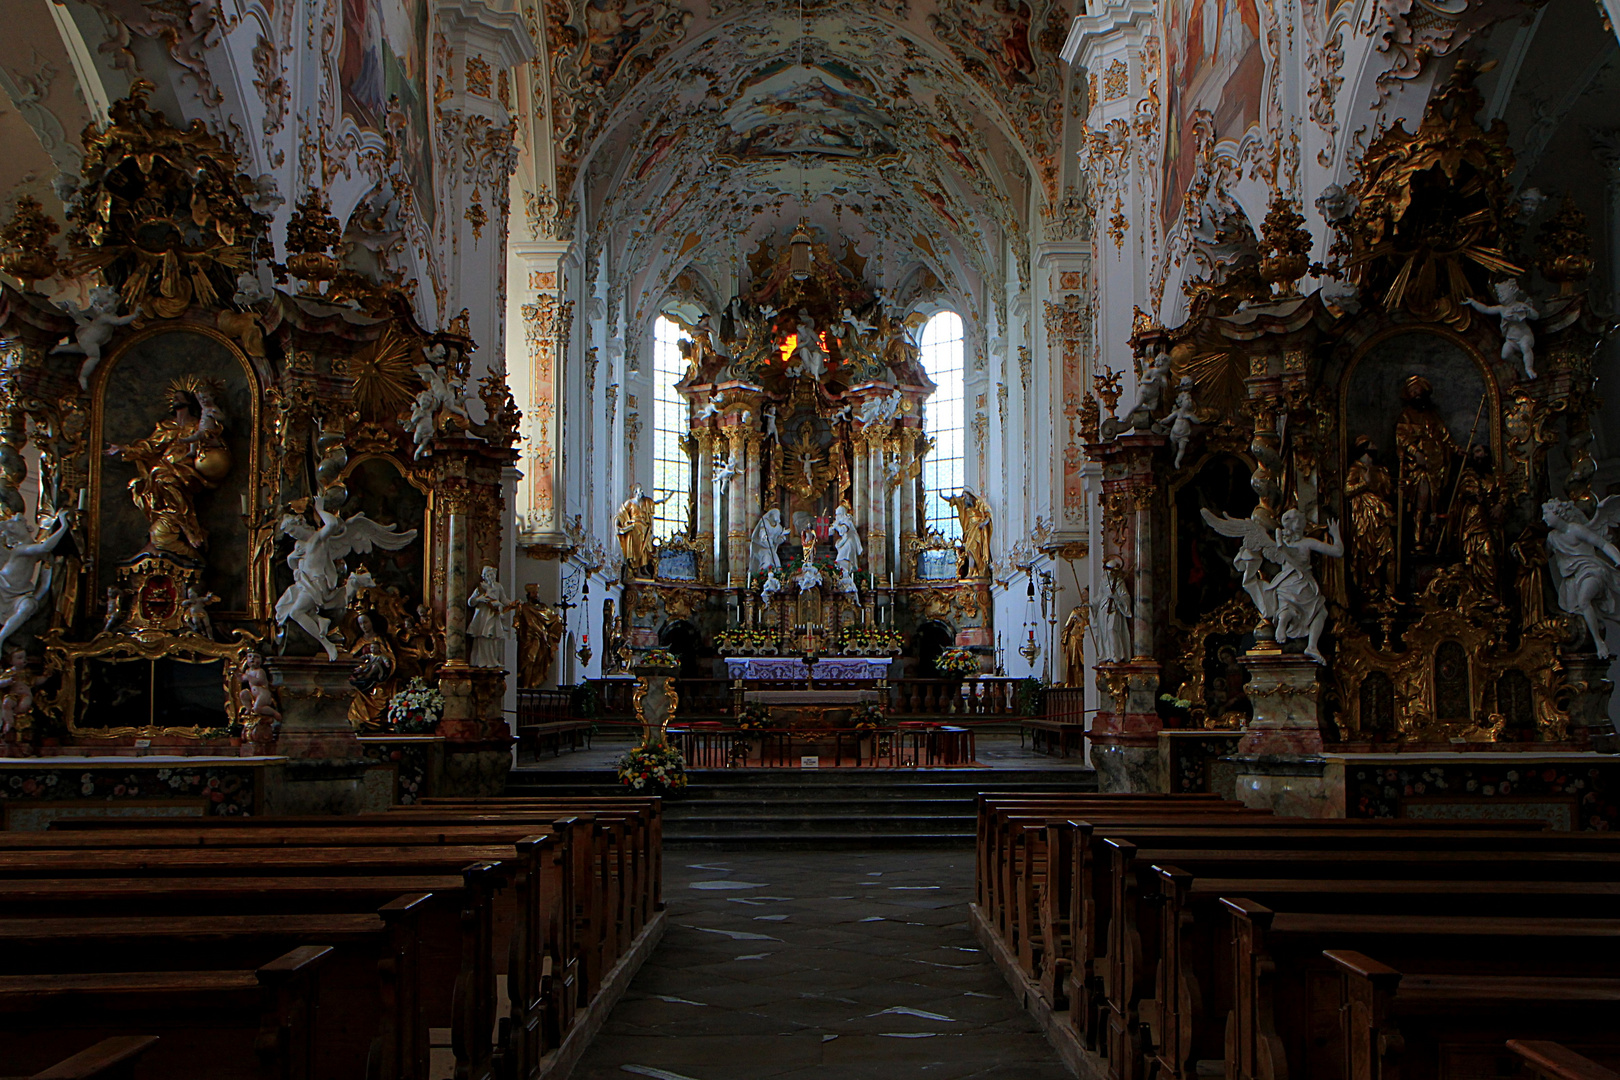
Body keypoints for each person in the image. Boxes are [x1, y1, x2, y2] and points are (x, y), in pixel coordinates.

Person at [466, 565, 512, 669]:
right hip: (483, 615)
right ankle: (482, 660)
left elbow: (504, 600)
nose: (491, 577)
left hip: (494, 614)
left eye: (492, 574)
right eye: (488, 575)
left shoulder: (498, 586)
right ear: (484, 576)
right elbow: (470, 602)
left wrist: (512, 603)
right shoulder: (480, 588)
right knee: (483, 636)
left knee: (493, 637)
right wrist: (479, 599)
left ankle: (493, 660)